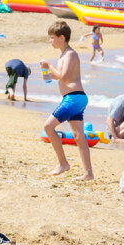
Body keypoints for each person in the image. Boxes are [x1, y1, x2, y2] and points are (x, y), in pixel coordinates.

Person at [40, 21, 94, 179]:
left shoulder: (70, 54)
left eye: (52, 37)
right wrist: (46, 73)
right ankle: (88, 173)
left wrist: (49, 65)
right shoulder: (63, 55)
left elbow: (63, 76)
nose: (50, 41)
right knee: (78, 136)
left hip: (73, 98)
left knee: (48, 127)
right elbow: (58, 77)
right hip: (74, 98)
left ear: (61, 37)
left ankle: (63, 163)